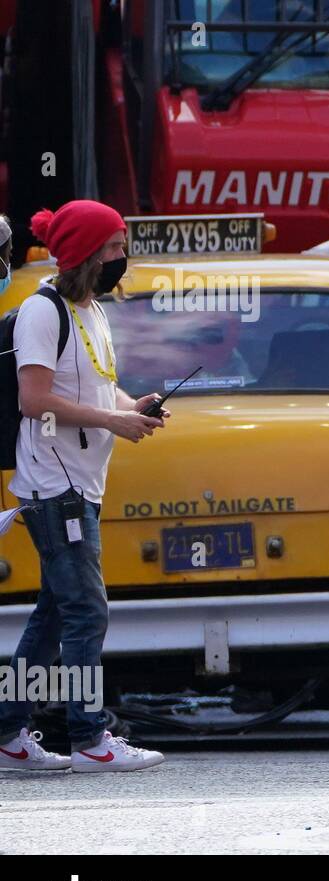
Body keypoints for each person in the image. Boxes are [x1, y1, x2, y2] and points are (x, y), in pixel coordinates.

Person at [0, 201, 168, 773]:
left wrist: (132, 406)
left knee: (56, 610)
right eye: (116, 248)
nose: (124, 257)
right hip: (55, 484)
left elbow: (98, 387)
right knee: (86, 611)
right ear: (89, 254)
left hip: (79, 482)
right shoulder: (42, 312)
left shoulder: (89, 308)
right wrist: (113, 423)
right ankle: (90, 738)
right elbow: (35, 400)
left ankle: (6, 732)